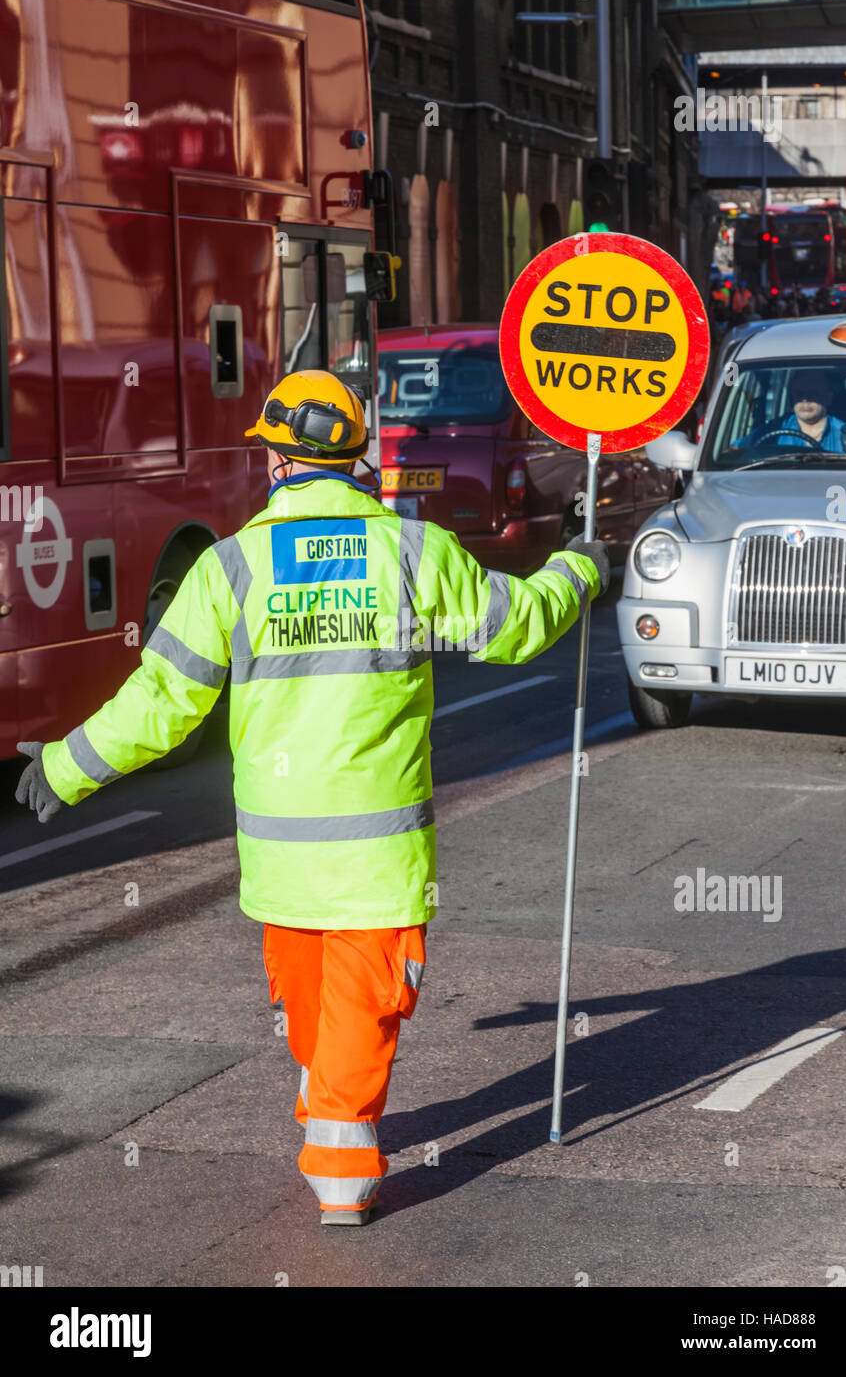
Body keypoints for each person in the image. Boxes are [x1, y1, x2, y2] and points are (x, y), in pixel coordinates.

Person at [14, 369, 609, 1226]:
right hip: (379, 856)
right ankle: (341, 1171)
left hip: (281, 861)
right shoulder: (412, 550)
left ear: (278, 463)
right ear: (355, 459)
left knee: (315, 1012)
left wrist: (68, 766)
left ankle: (332, 1128)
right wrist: (576, 573)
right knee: (361, 1010)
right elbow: (513, 625)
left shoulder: (231, 567)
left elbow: (163, 702)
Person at [743, 369, 846, 456]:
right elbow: (736, 452)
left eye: (812, 394)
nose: (805, 400)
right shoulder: (772, 430)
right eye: (799, 394)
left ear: (828, 398)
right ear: (792, 397)